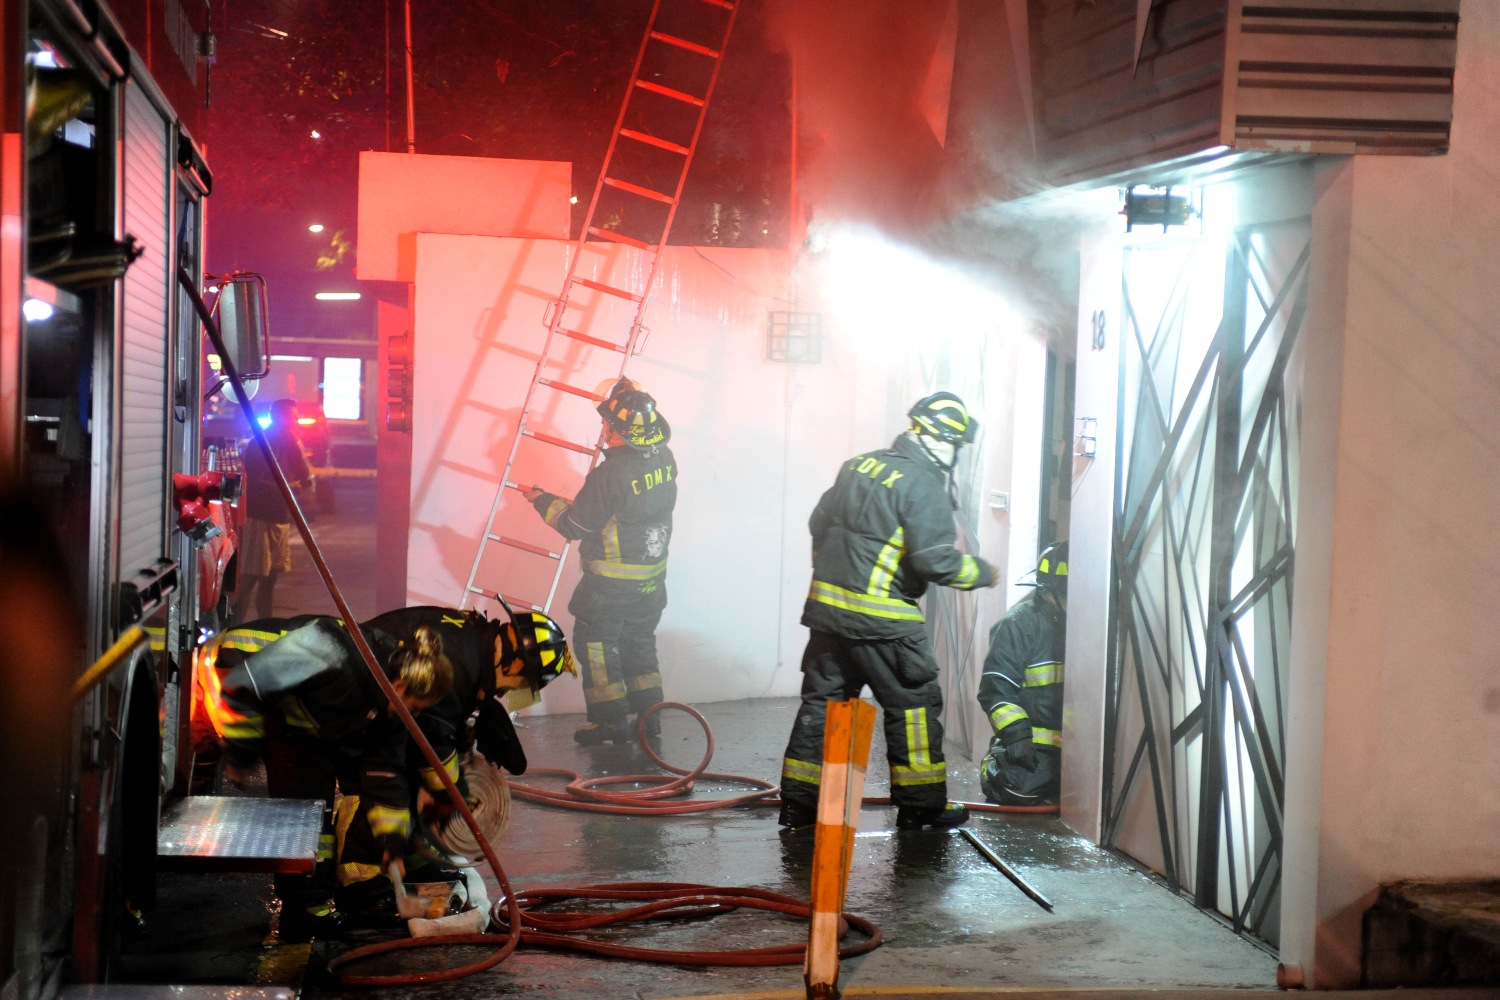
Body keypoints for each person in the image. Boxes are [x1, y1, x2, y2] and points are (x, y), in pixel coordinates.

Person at [778, 391, 998, 832]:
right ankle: (921, 809)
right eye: (955, 445)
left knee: (821, 707)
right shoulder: (923, 485)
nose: (955, 454)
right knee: (914, 708)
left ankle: (799, 806)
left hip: (827, 616)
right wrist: (985, 572)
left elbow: (816, 524)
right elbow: (934, 561)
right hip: (885, 623)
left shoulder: (858, 465)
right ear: (942, 439)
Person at [198, 615, 454, 939]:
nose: (414, 717)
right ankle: (301, 911)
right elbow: (242, 685)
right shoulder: (331, 651)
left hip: (294, 710)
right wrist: (239, 755)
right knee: (294, 803)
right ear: (400, 686)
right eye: (415, 707)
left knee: (312, 806)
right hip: (233, 667)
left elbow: (385, 775)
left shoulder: (389, 704)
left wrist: (391, 842)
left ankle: (307, 910)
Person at [330, 603, 576, 921]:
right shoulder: (460, 663)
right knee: (388, 779)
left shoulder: (471, 640)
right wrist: (457, 794)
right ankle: (362, 888)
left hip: (369, 710)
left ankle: (413, 861)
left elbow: (441, 726)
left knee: (418, 776)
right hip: (352, 717)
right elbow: (431, 745)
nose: (512, 692)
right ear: (516, 665)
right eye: (524, 685)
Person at [522, 377, 677, 746]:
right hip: (652, 581)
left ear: (620, 431)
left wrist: (542, 500)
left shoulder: (610, 475)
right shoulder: (664, 459)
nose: (603, 428)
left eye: (608, 424)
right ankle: (649, 718)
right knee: (639, 641)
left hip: (610, 585)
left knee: (597, 644)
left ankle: (610, 723)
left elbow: (575, 525)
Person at [977, 541, 1067, 807]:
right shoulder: (1021, 623)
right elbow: (996, 686)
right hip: (1034, 745)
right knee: (1016, 789)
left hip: (1075, 748)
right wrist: (1016, 733)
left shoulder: (1084, 623)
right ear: (1050, 590)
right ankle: (993, 765)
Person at [235, 398, 313, 622]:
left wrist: (303, 481)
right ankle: (233, 628)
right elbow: (255, 480)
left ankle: (264, 627)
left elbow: (302, 473)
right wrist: (287, 488)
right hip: (259, 517)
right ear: (278, 417)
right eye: (291, 416)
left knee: (269, 579)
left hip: (279, 517)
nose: (295, 421)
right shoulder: (259, 443)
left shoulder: (289, 441)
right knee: (249, 577)